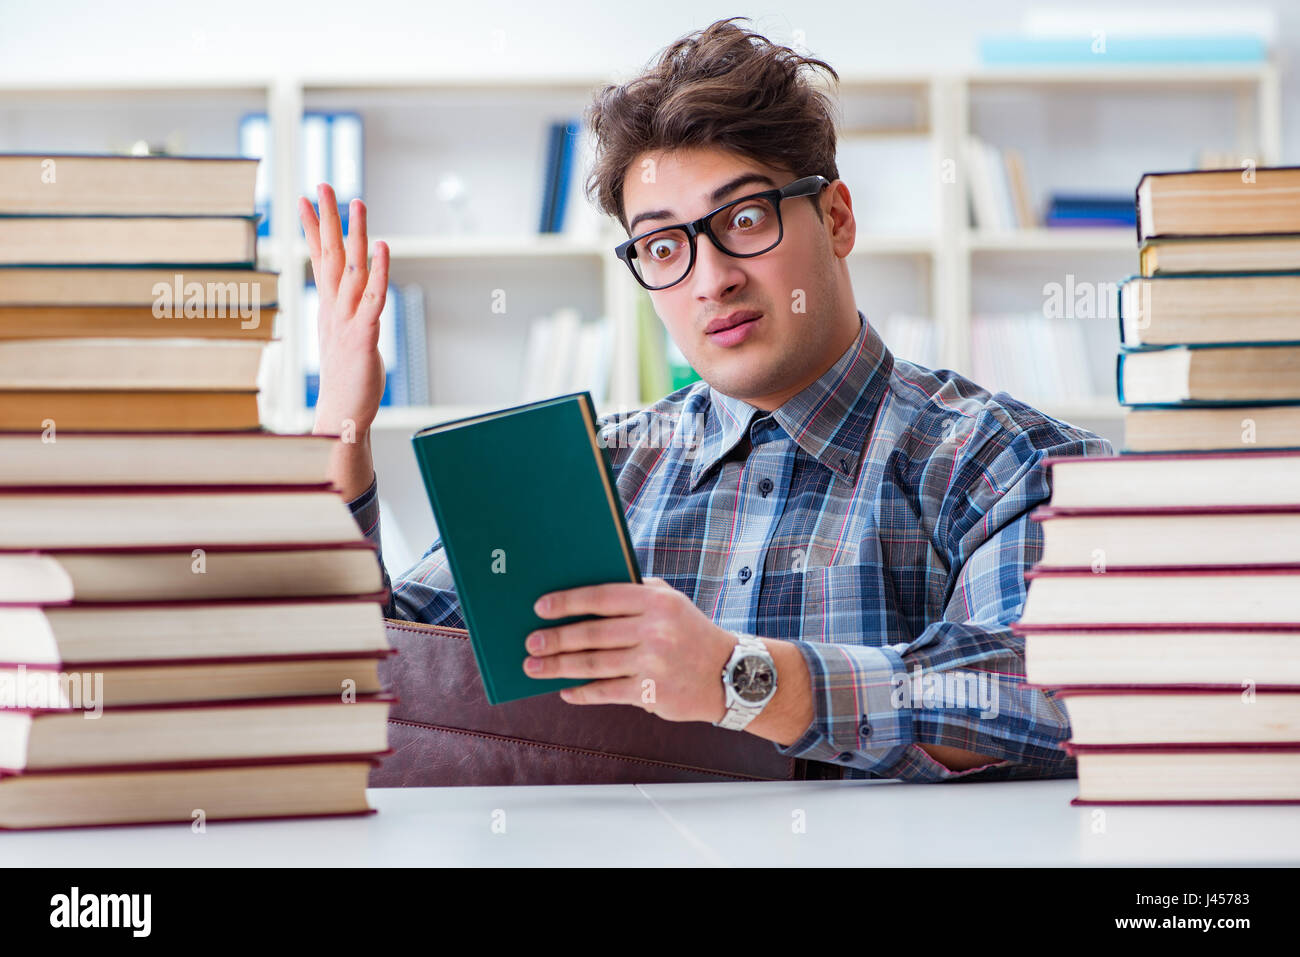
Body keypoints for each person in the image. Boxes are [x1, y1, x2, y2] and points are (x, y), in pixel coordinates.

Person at [297, 16, 1113, 783]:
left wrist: (743, 680)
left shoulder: (1004, 460)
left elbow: (1052, 692)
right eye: (663, 245)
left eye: (747, 217)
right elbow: (368, 683)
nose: (711, 277)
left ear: (835, 217)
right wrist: (340, 429)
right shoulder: (586, 469)